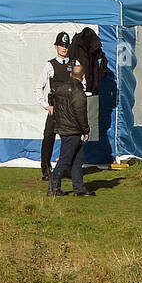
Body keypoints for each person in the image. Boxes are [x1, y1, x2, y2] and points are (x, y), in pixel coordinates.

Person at [48, 64, 94, 197]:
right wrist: (86, 130)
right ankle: (53, 188)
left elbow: (55, 108)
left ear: (70, 74)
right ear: (83, 77)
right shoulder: (79, 93)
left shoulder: (60, 89)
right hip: (73, 130)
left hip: (63, 128)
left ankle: (79, 188)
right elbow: (81, 113)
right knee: (65, 160)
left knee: (78, 159)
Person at [35, 32, 74, 181]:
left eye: (66, 46)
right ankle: (46, 169)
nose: (64, 48)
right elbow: (39, 87)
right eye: (61, 46)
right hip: (55, 108)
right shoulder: (50, 65)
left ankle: (66, 168)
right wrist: (46, 105)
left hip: (69, 109)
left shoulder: (74, 64)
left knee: (69, 140)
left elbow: (81, 84)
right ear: (56, 47)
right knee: (48, 138)